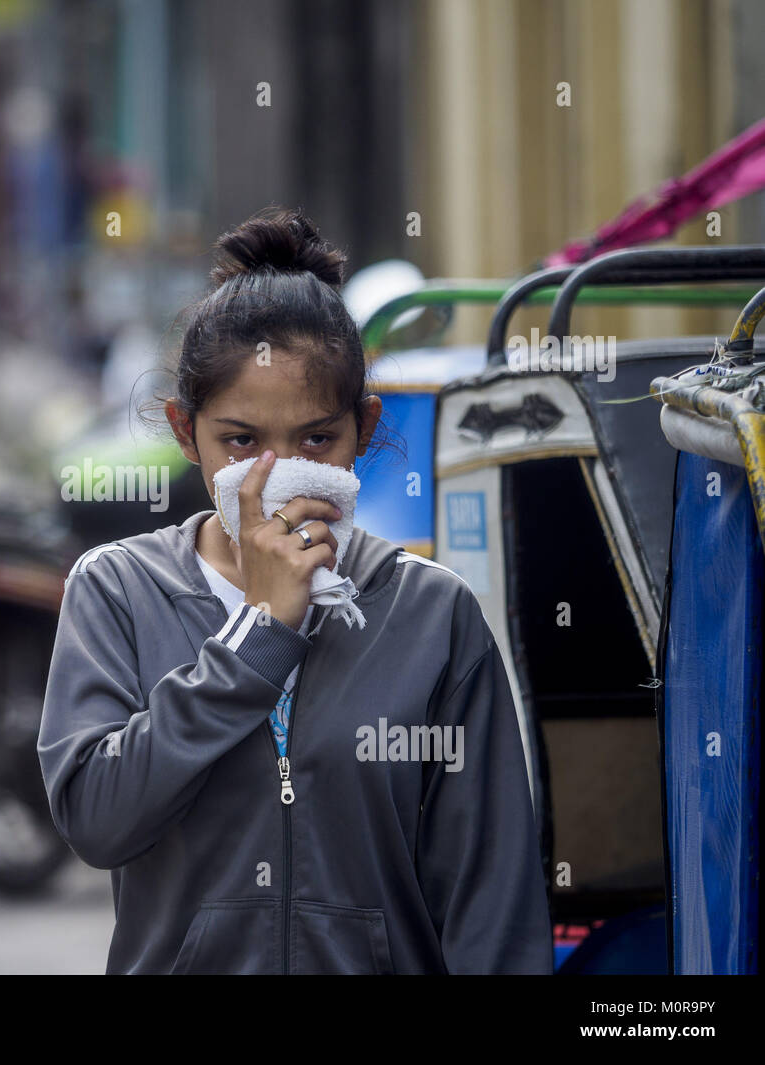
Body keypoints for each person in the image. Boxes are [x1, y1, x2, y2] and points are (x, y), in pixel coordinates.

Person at [36, 207, 553, 974]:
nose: (277, 478)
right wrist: (255, 639)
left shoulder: (429, 613)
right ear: (186, 433)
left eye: (316, 439)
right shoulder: (117, 589)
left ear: (364, 430)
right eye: (240, 441)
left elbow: (492, 902)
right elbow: (97, 820)